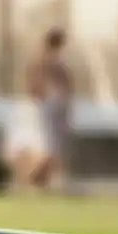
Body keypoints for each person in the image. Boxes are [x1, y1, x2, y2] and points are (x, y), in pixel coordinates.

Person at [24, 28, 74, 192]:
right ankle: (36, 179)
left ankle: (41, 181)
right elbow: (39, 83)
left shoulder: (48, 59)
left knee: (54, 147)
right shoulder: (49, 60)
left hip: (53, 105)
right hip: (52, 105)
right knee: (52, 147)